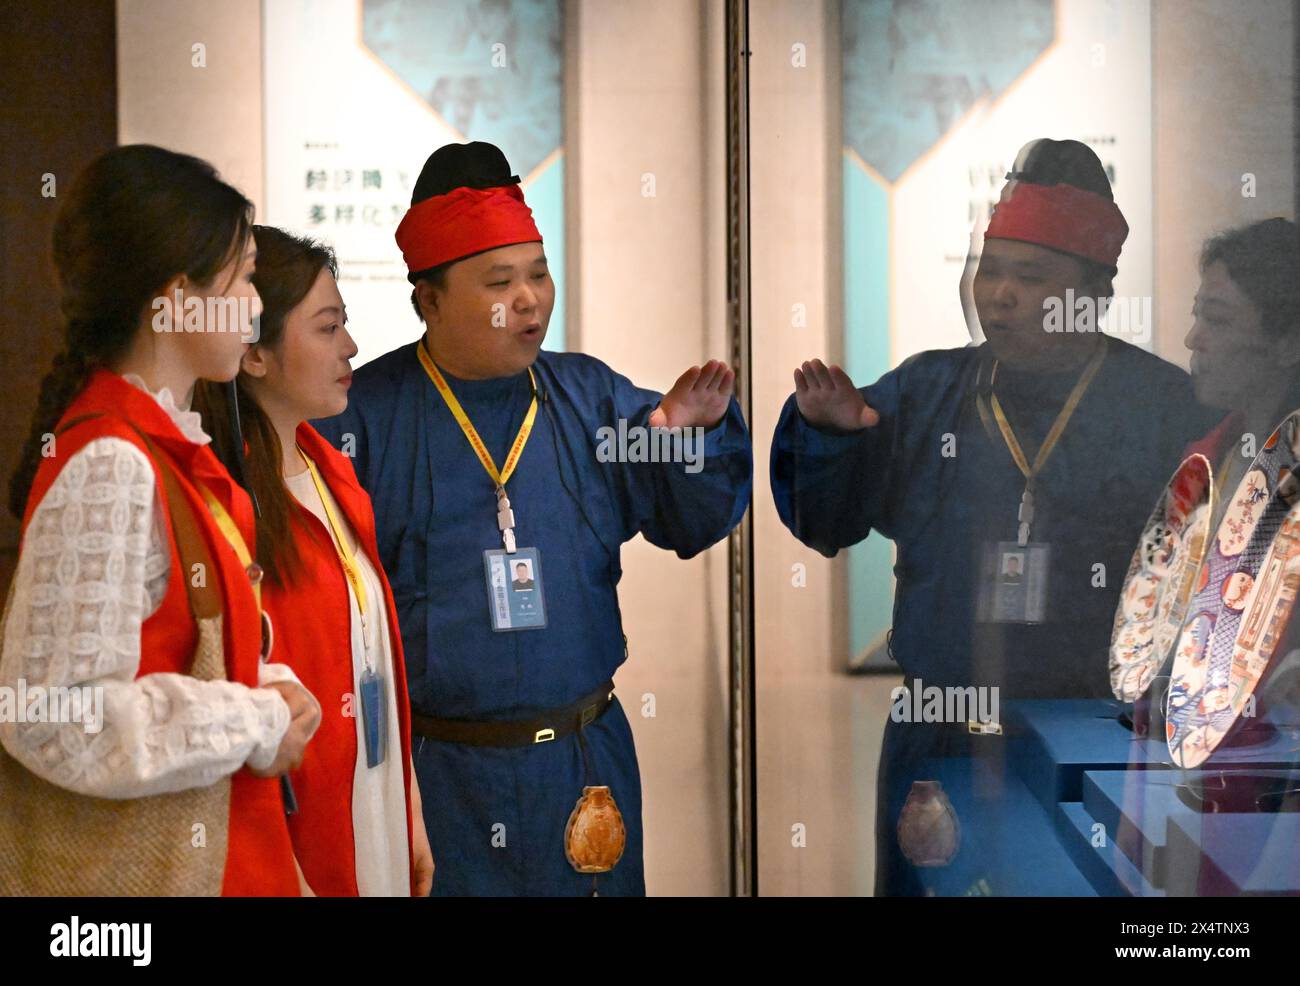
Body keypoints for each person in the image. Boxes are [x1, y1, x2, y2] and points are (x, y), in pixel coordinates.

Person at [770, 138, 1219, 896]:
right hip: (938, 735)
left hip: (1092, 738)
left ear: (1094, 291)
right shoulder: (926, 390)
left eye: (1030, 275)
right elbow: (826, 524)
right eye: (991, 268)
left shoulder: (1161, 408)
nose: (999, 293)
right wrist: (832, 437)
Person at [313, 140, 752, 895]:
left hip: (581, 764)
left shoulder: (589, 396)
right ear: (429, 300)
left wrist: (689, 437)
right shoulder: (365, 416)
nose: (530, 300)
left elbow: (692, 523)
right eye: (499, 281)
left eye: (538, 275)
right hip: (434, 774)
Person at [0, 145, 320, 896]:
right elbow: (51, 714)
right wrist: (252, 719)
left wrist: (263, 683)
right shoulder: (113, 462)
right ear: (179, 296)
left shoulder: (155, 445)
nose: (254, 303)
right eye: (243, 276)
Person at [194, 225, 435, 896]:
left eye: (345, 325)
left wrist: (406, 805)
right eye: (327, 328)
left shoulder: (333, 471)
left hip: (374, 807)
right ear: (254, 357)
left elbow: (373, 664)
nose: (351, 348)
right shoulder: (224, 505)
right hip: (295, 850)